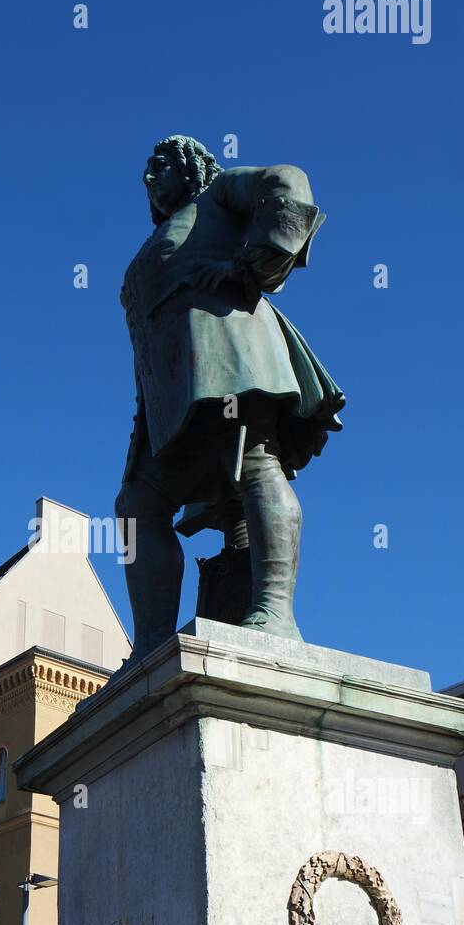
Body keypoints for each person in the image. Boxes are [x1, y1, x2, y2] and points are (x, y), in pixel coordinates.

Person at [115, 135, 345, 664]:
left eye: (161, 165)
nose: (150, 178)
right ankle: (150, 644)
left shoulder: (217, 194)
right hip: (167, 388)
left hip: (227, 351)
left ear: (192, 166)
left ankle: (275, 613)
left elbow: (287, 181)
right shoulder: (159, 239)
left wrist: (252, 266)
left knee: (256, 463)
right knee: (136, 506)